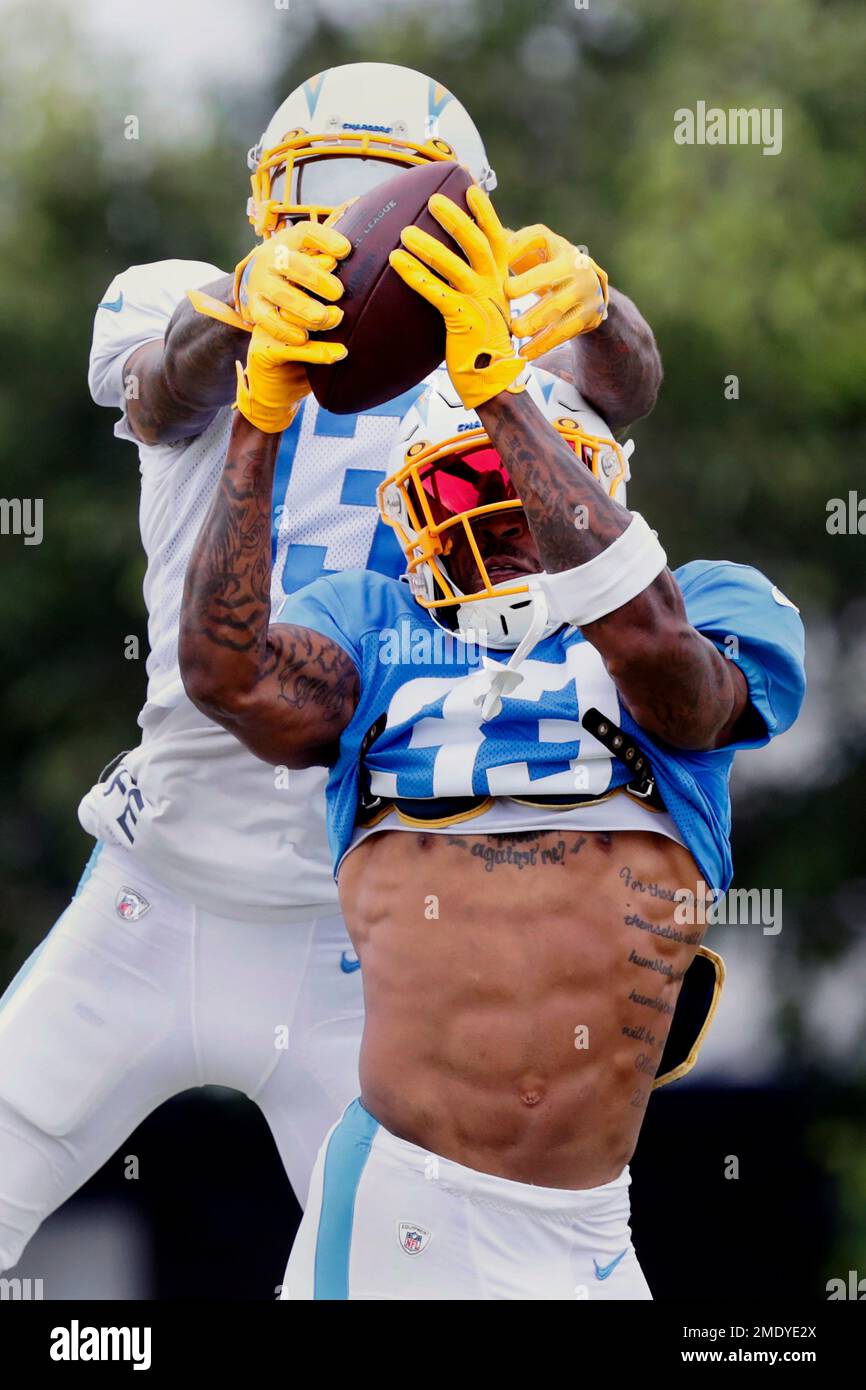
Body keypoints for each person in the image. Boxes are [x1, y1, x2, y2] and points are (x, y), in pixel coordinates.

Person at [0, 62, 662, 1278]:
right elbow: (159, 387)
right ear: (265, 211)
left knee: (431, 1277)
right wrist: (243, 309)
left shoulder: (489, 347)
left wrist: (599, 305)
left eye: (377, 202)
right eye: (321, 198)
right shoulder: (183, 300)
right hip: (156, 887)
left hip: (367, 928)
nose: (346, 228)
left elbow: (623, 388)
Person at [177, 185, 806, 1299]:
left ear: (590, 482)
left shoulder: (708, 605)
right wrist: (257, 419)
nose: (502, 520)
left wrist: (499, 396)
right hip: (401, 1208)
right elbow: (222, 674)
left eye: (521, 485)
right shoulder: (371, 627)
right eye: (469, 483)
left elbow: (668, 670)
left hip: (587, 1230)